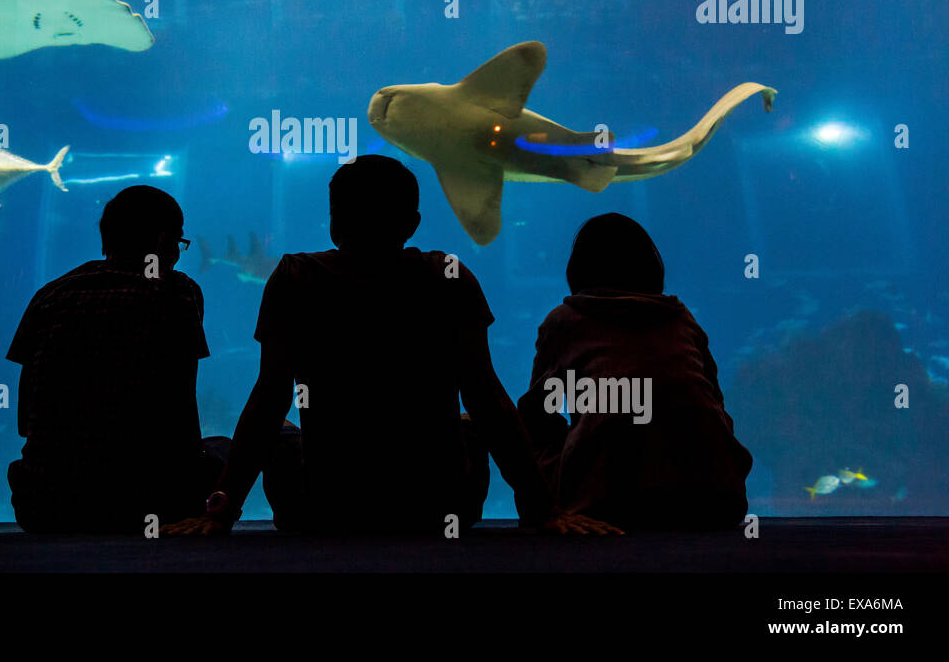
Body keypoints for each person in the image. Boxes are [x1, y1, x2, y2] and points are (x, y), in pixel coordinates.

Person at [163, 156, 620, 537]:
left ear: (334, 220)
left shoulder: (295, 277)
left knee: (277, 429)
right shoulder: (449, 276)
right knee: (469, 420)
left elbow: (269, 398)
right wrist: (542, 509)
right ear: (413, 223)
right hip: (439, 511)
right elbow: (487, 398)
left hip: (322, 514)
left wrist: (221, 510)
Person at [5, 185, 226, 533]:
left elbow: (23, 420)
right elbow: (181, 408)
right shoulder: (177, 292)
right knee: (224, 449)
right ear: (160, 241)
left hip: (43, 506)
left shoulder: (50, 294)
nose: (179, 254)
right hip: (150, 506)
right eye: (178, 242)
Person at [516, 213, 753, 529]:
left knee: (528, 427)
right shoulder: (682, 319)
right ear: (652, 267)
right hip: (717, 500)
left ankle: (554, 512)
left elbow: (537, 416)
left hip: (604, 503)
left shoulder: (563, 321)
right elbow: (717, 404)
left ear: (577, 270)